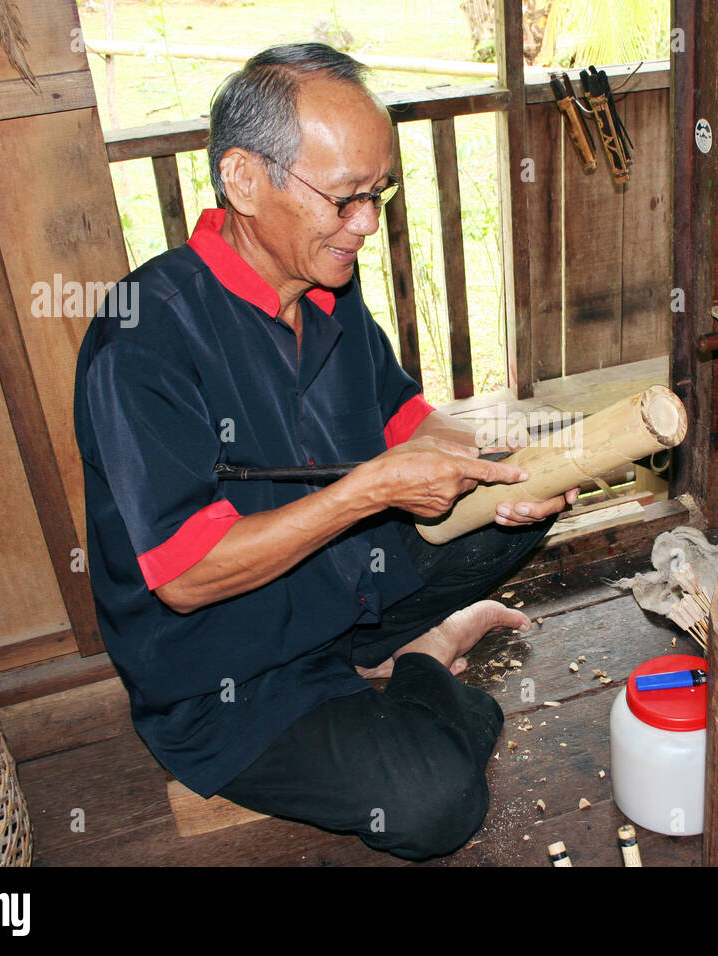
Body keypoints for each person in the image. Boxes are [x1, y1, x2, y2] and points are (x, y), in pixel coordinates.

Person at [73, 43, 577, 861]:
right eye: (344, 198)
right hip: (228, 674)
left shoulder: (324, 285)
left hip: (342, 592)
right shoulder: (145, 336)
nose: (367, 226)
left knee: (516, 515)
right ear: (243, 180)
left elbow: (408, 420)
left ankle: (375, 654)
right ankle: (426, 657)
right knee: (434, 804)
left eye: (377, 195)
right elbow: (188, 577)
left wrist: (508, 468)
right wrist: (370, 491)